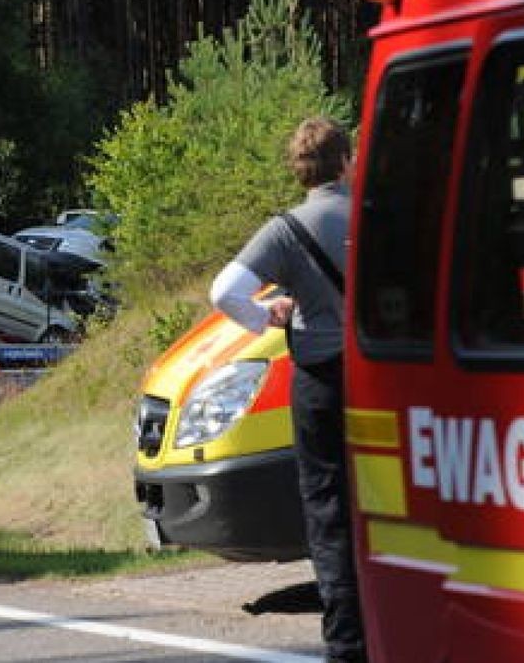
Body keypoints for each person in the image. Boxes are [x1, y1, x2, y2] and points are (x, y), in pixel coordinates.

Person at [209, 117, 364, 663]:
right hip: (380, 378)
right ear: (346, 161)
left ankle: (348, 645)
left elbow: (224, 291)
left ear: (300, 171)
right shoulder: (377, 216)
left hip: (321, 383)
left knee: (328, 510)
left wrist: (264, 316)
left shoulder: (286, 230)